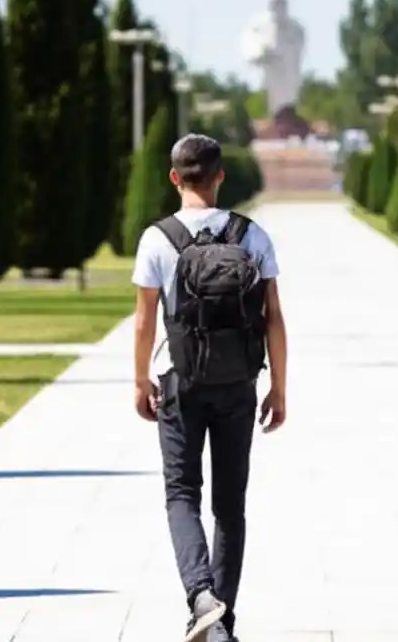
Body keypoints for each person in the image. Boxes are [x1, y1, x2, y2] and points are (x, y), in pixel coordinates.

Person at [132, 134, 288, 642]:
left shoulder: (158, 239)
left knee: (181, 493)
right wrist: (278, 389)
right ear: (220, 176)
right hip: (238, 384)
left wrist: (140, 381)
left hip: (178, 380)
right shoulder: (252, 236)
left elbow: (143, 321)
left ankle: (202, 598)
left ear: (174, 178)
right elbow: (274, 320)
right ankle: (222, 624)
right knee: (230, 505)